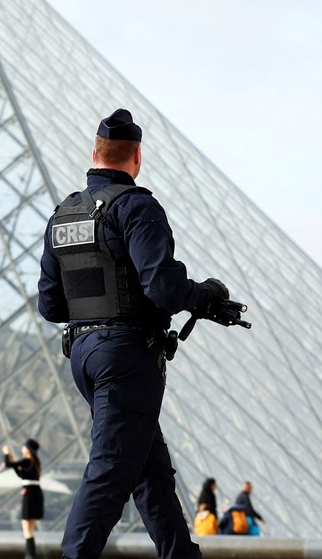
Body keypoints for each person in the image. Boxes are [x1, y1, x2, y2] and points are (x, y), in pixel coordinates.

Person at [37, 109, 237, 559]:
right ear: (137, 157)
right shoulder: (137, 207)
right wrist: (205, 294)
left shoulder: (63, 214)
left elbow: (50, 305)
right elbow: (163, 288)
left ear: (94, 152)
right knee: (110, 469)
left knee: (150, 472)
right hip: (126, 356)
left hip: (83, 355)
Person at [3, 439, 44, 559]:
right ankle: (30, 555)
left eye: (23, 447)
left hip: (29, 495)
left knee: (26, 526)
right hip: (36, 493)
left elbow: (9, 465)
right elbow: (21, 474)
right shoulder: (35, 462)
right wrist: (13, 462)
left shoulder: (27, 461)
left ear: (28, 450)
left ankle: (29, 556)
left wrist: (6, 454)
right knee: (30, 528)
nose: (22, 449)